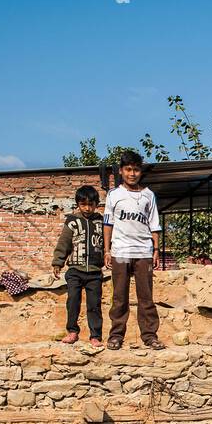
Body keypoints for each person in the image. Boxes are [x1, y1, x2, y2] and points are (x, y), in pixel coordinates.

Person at [102, 150, 164, 350]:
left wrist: (155, 249)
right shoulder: (114, 195)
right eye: (128, 169)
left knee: (146, 298)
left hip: (144, 252)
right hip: (120, 252)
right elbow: (108, 224)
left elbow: (154, 224)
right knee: (119, 297)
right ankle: (116, 336)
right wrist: (107, 250)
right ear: (121, 171)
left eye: (136, 170)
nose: (132, 174)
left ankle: (150, 336)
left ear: (141, 172)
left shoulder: (148, 195)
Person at [52, 185, 105, 346]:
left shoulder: (101, 221)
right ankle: (72, 331)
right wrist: (58, 262)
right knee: (73, 301)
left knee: (94, 304)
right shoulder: (72, 221)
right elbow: (64, 243)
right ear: (78, 205)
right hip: (75, 269)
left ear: (97, 204)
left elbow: (108, 242)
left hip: (95, 272)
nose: (87, 208)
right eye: (83, 204)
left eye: (91, 204)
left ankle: (95, 335)